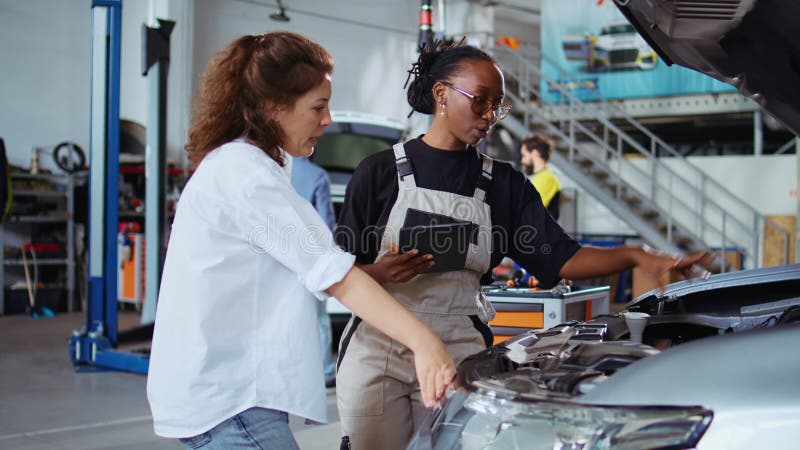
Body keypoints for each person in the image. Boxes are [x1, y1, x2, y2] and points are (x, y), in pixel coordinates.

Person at [333, 39, 710, 450]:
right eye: (480, 102)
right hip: (378, 353)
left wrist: (638, 256)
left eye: (497, 105)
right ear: (441, 94)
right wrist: (379, 273)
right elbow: (339, 273)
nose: (490, 116)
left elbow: (563, 258)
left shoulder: (504, 185)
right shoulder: (380, 172)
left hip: (457, 352)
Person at [146, 32, 457, 450]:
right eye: (318, 107)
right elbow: (333, 276)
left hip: (223, 398)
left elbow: (280, 269)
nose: (326, 120)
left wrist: (373, 272)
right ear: (275, 108)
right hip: (231, 403)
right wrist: (426, 343)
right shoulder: (247, 175)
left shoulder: (244, 165)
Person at [290, 156, 337, 387]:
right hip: (310, 259)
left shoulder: (274, 170)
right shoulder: (317, 175)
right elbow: (326, 223)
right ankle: (326, 371)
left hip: (279, 259)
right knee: (318, 318)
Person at [520, 132, 561, 219]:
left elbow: (529, 209)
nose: (522, 161)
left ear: (535, 153)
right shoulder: (539, 177)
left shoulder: (547, 178)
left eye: (524, 155)